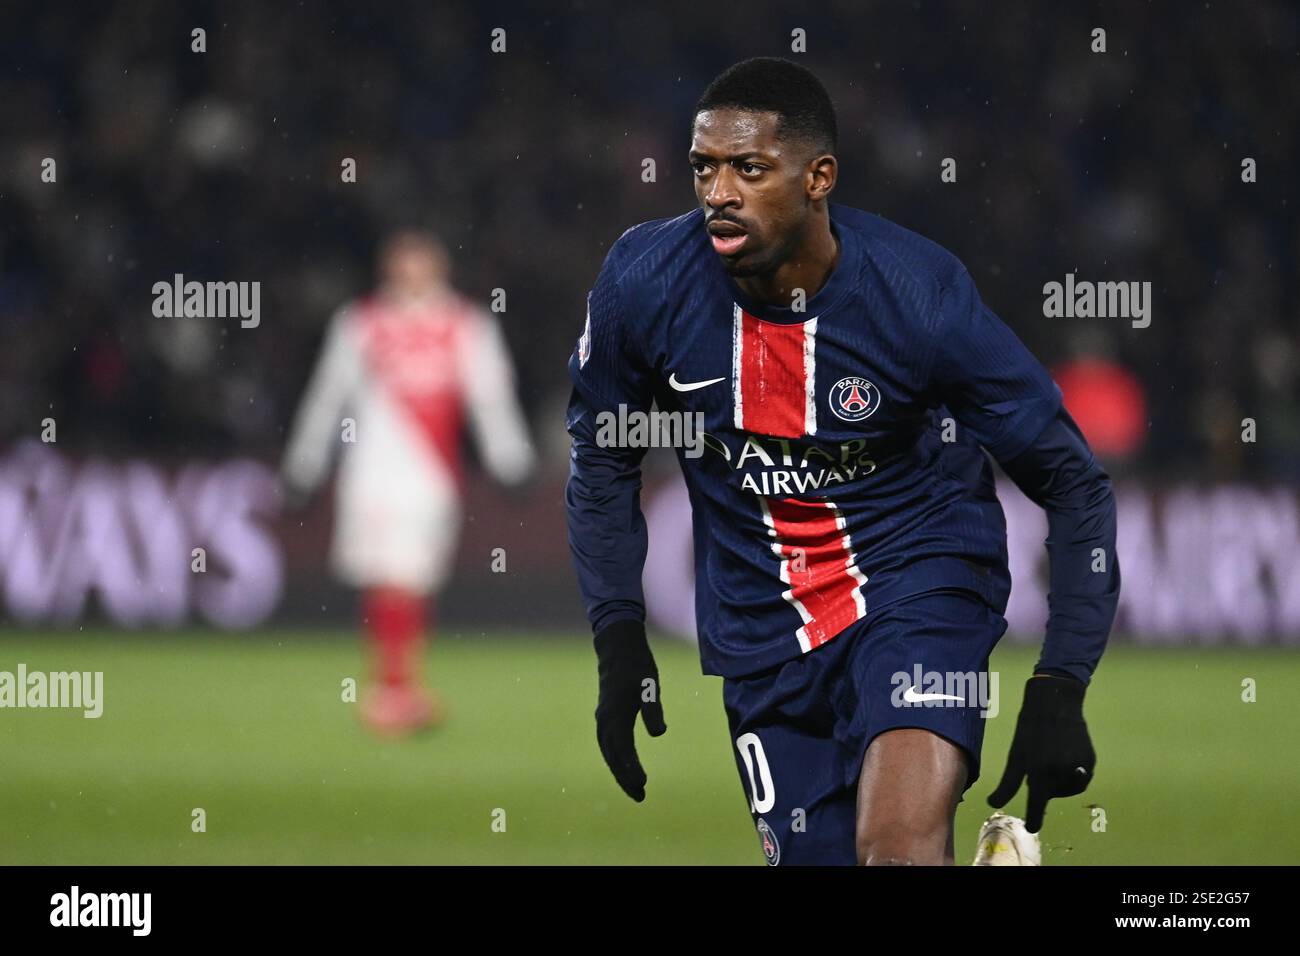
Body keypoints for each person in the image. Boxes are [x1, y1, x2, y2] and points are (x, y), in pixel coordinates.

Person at [564, 58, 1119, 864]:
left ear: (819, 176)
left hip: (919, 585)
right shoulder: (643, 281)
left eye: (749, 169)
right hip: (763, 633)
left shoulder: (918, 297)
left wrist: (1060, 681)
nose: (719, 192)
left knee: (893, 849)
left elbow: (1071, 481)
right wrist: (618, 637)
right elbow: (602, 460)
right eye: (703, 168)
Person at [283, 230, 535, 735]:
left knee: (415, 577)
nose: (412, 274)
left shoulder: (465, 326)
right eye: (404, 264)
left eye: (422, 264)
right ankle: (392, 690)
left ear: (439, 269)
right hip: (371, 469)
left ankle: (398, 689)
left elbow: (491, 397)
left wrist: (511, 459)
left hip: (431, 475)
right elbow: (328, 399)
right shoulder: (361, 324)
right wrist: (304, 465)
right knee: (384, 575)